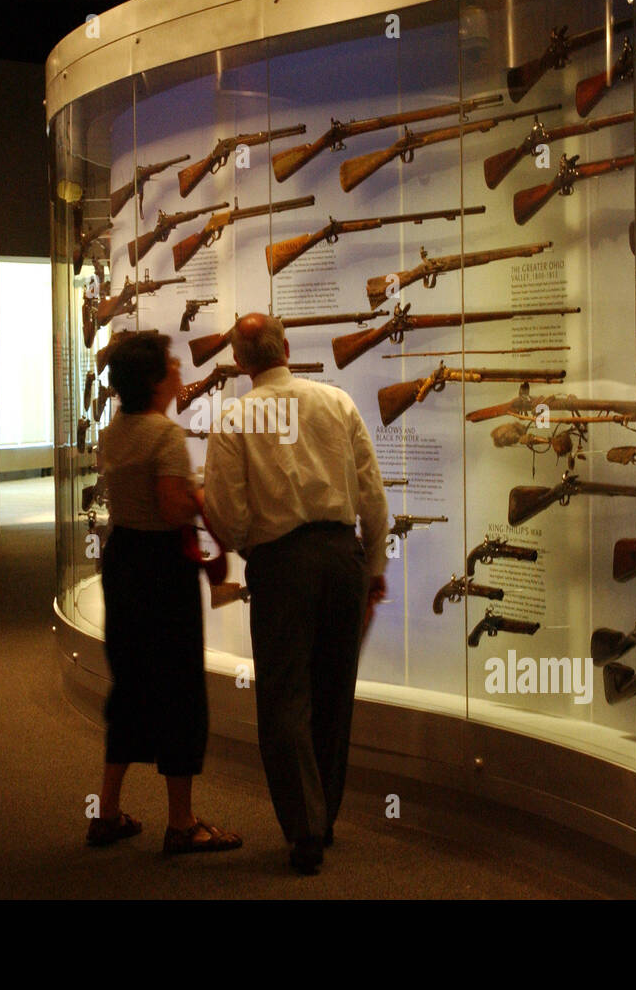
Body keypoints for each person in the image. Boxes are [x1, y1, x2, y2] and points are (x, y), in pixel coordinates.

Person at [203, 314, 389, 874]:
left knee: (285, 699)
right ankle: (322, 818)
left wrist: (248, 543)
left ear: (240, 361)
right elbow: (373, 495)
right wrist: (373, 567)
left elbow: (228, 517)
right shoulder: (337, 402)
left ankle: (306, 827)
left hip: (282, 566)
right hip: (341, 558)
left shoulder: (233, 417)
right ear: (286, 346)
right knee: (334, 696)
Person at [87, 331, 243, 855]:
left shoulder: (115, 432)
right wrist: (203, 496)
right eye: (172, 367)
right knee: (179, 692)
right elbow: (173, 509)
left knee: (129, 686)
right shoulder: (165, 436)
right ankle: (181, 822)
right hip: (161, 569)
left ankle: (107, 812)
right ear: (155, 381)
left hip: (126, 560)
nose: (180, 373)